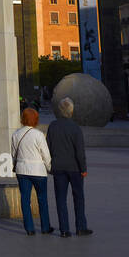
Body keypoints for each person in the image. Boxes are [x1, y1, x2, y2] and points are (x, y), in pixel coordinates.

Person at [46, 96, 92, 237]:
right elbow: (80, 151)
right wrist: (83, 169)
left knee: (60, 199)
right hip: (75, 168)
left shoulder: (52, 126)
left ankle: (64, 229)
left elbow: (48, 147)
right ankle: (80, 227)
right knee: (78, 197)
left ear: (60, 111)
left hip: (58, 167)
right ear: (71, 111)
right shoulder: (75, 128)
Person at [10, 107, 55, 236]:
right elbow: (46, 155)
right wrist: (50, 167)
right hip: (38, 171)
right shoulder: (39, 135)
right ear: (36, 120)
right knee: (42, 199)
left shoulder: (16, 134)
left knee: (25, 199)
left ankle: (29, 228)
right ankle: (45, 227)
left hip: (22, 170)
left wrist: (16, 164)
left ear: (22, 119)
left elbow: (13, 154)